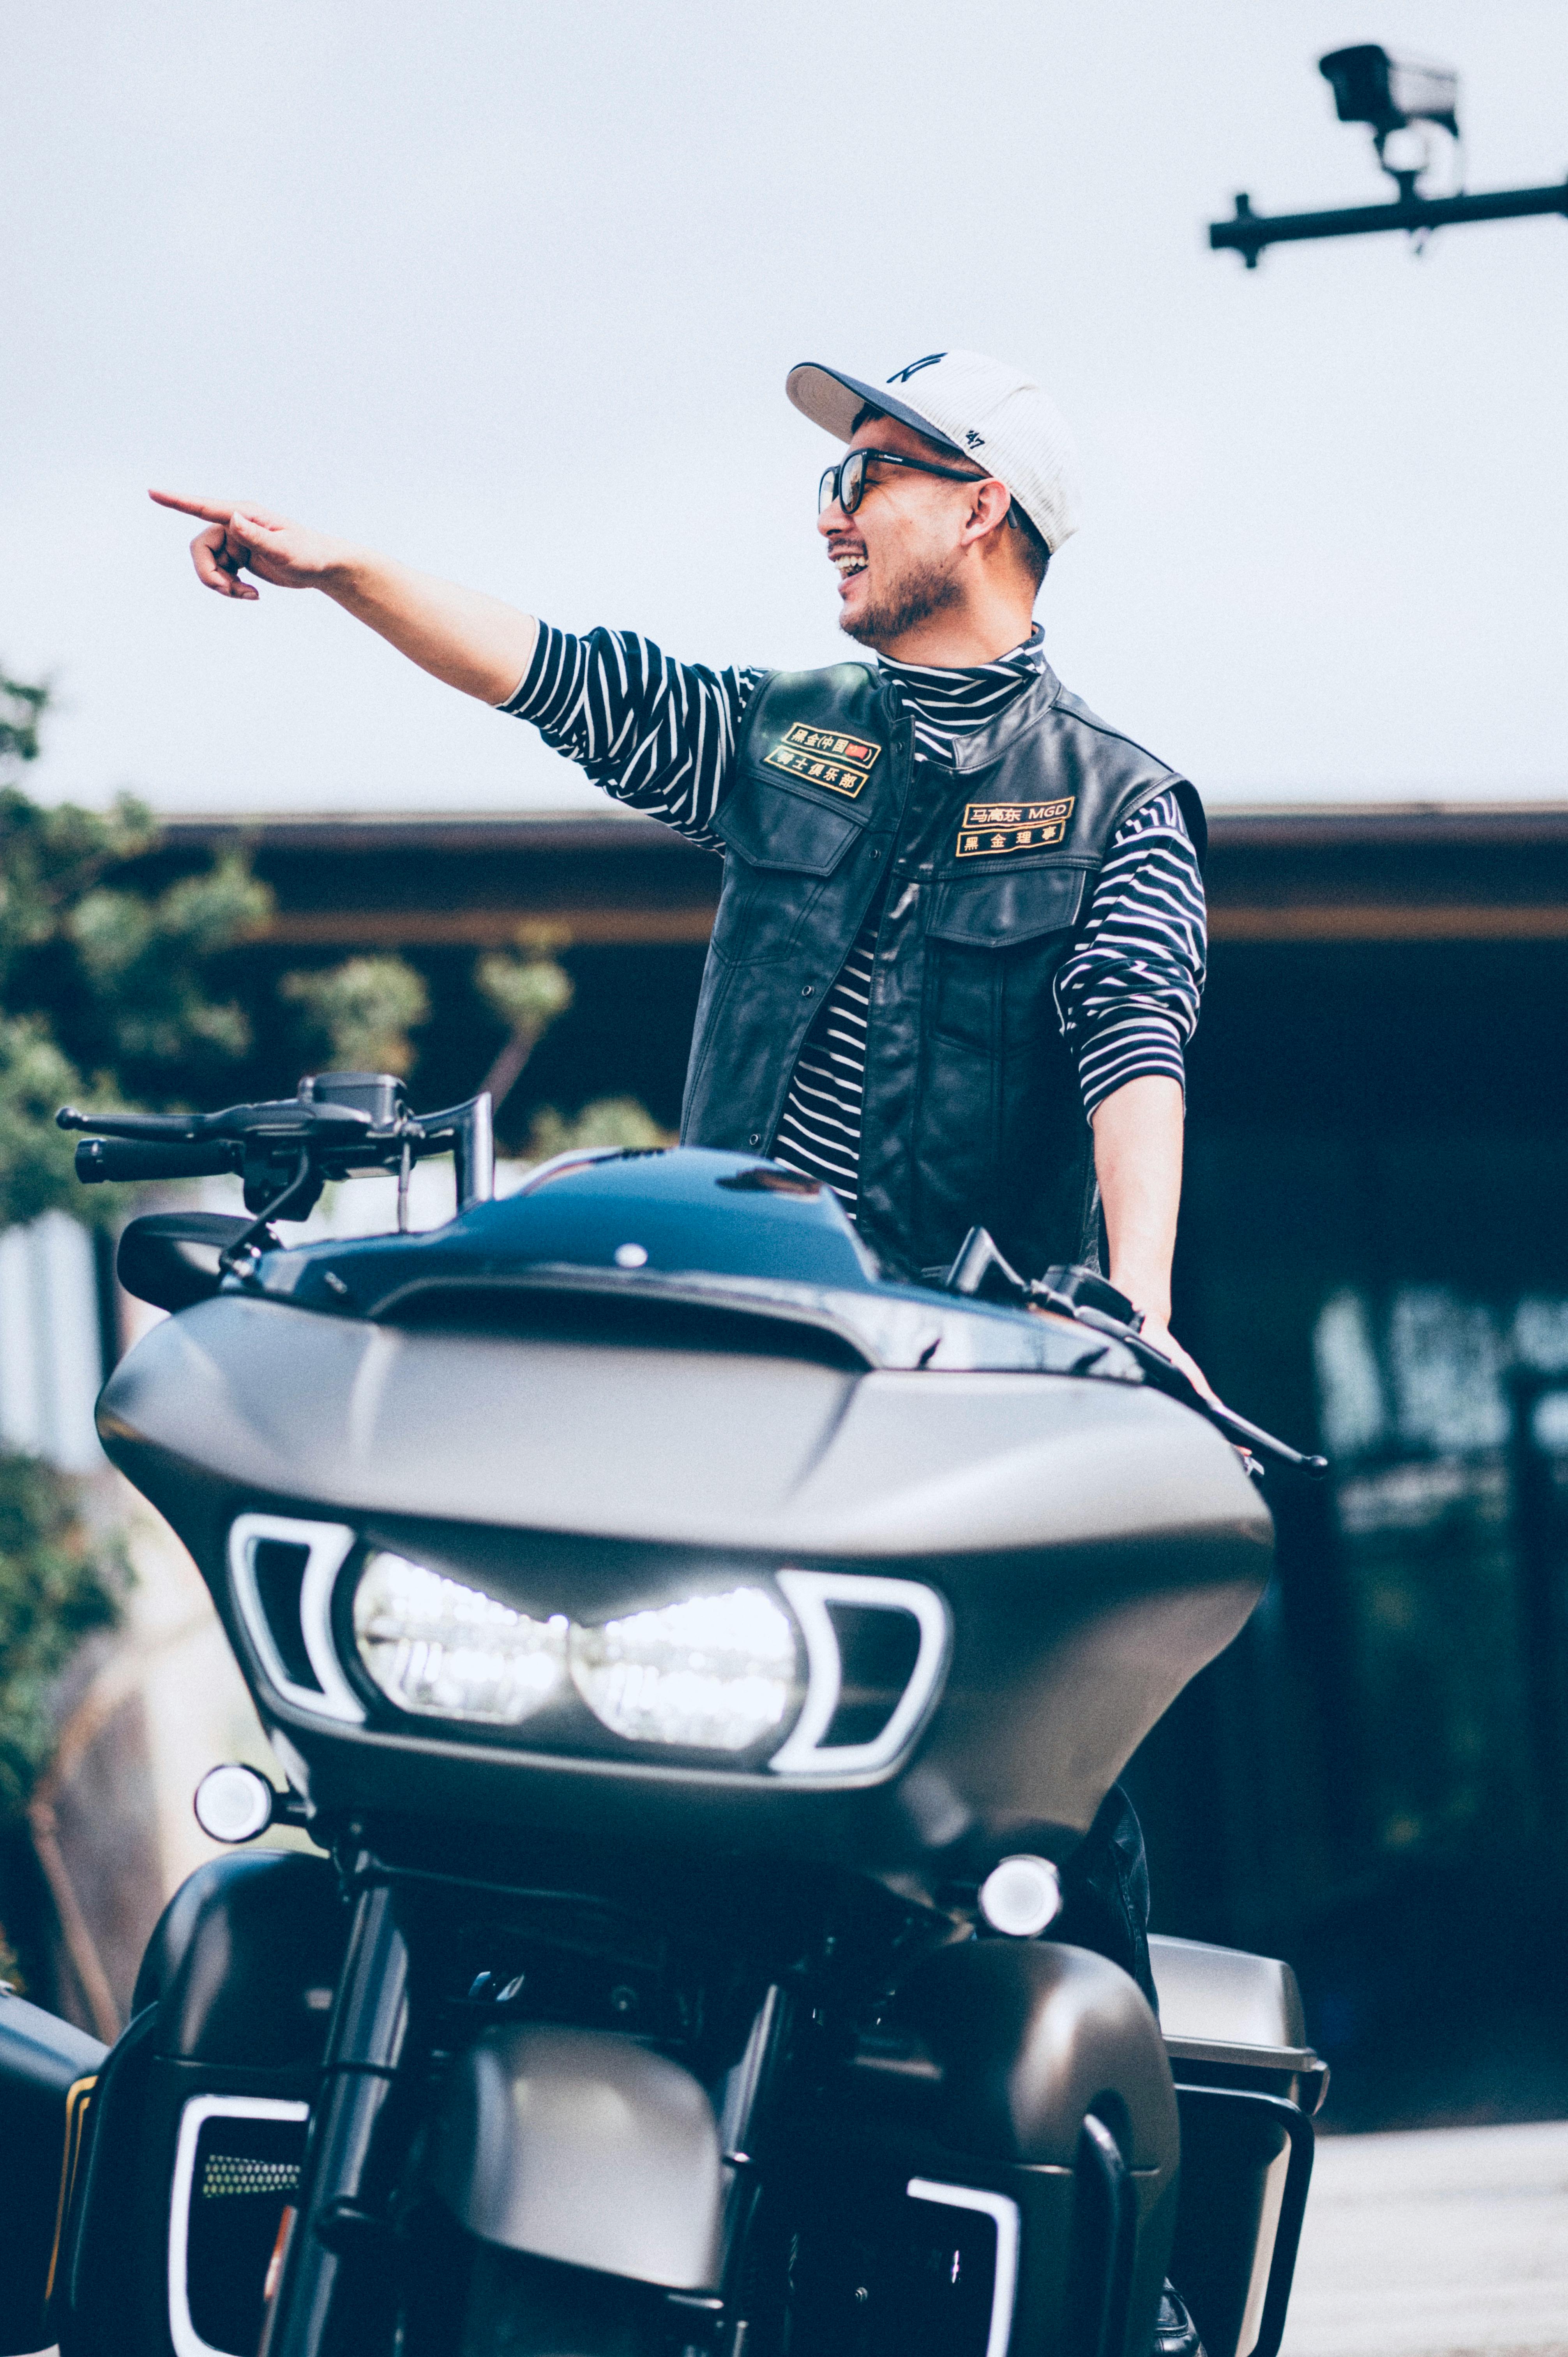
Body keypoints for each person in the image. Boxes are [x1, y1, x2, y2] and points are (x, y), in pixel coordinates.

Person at [154, 348, 1210, 2355]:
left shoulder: (1119, 806)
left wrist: (1135, 1306)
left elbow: (1132, 1040)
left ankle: (1118, 2280)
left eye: (866, 479)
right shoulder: (787, 734)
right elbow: (553, 672)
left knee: (1063, 1791)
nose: (826, 511)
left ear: (977, 507)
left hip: (931, 1409)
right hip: (707, 1374)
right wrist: (340, 562)